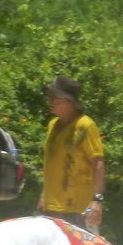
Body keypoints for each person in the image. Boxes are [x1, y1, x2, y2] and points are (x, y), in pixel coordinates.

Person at [38, 77, 105, 230]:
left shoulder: (85, 126)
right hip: (51, 207)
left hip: (79, 210)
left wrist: (96, 201)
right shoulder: (52, 125)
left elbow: (98, 165)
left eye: (54, 97)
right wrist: (43, 195)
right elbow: (52, 165)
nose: (49, 101)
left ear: (68, 101)